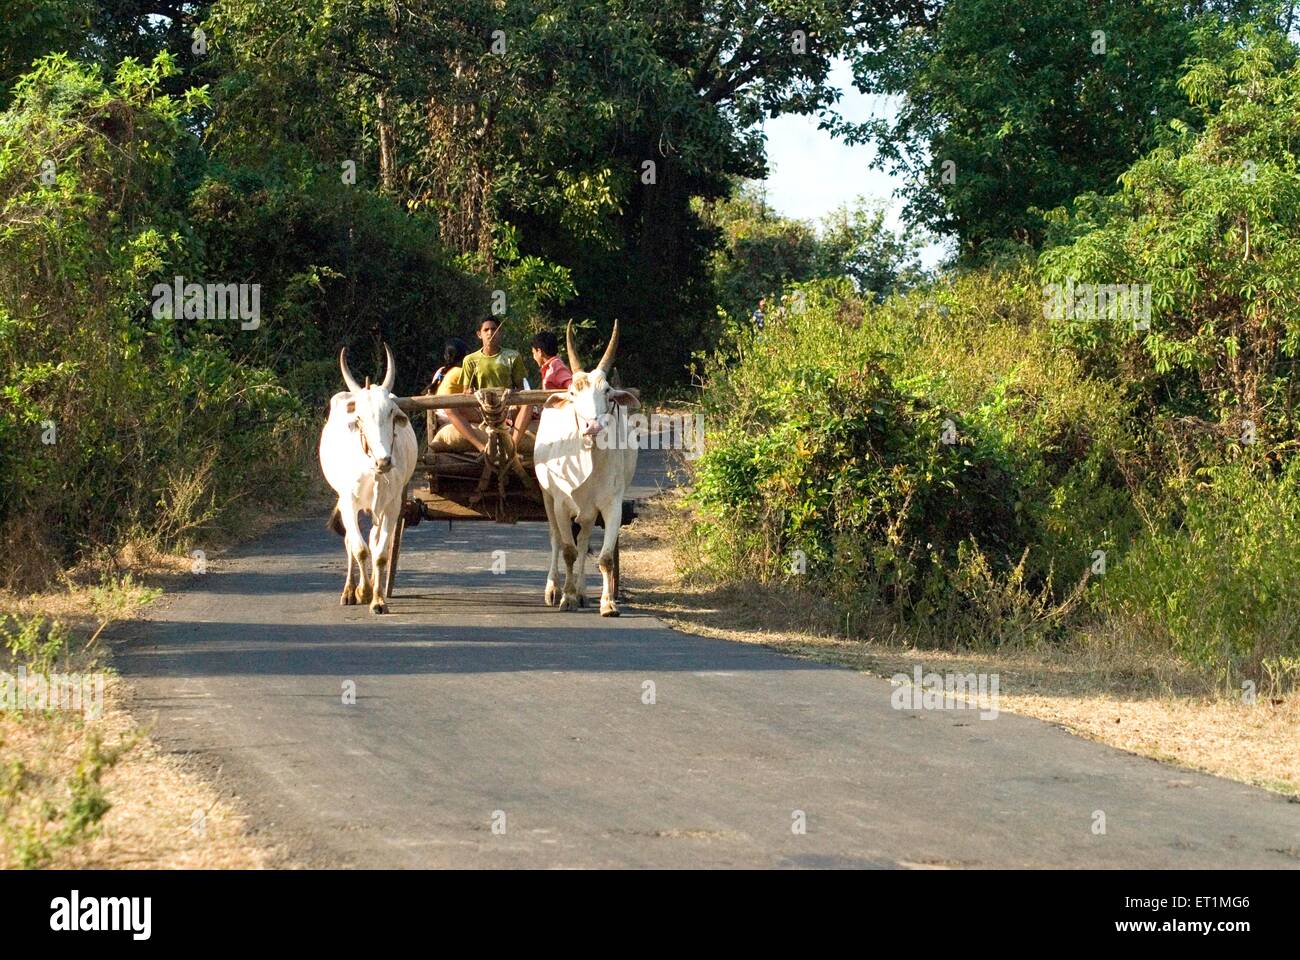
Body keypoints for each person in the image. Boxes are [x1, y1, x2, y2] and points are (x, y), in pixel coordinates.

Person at [443, 317, 529, 454]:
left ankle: (512, 445)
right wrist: (469, 392)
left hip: (507, 409)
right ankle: (481, 447)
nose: (490, 333)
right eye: (486, 330)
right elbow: (466, 391)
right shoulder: (470, 360)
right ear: (479, 334)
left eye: (494, 329)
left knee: (528, 403)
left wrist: (511, 406)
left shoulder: (513, 356)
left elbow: (520, 389)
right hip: (482, 411)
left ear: (500, 332)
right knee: (450, 408)